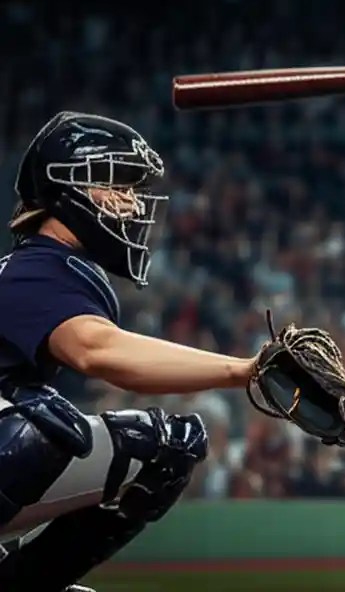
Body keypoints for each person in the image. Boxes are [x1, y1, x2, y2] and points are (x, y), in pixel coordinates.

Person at [0, 111, 251, 592]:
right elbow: (97, 351)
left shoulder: (32, 266)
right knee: (157, 444)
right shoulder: (41, 265)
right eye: (113, 183)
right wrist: (246, 370)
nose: (131, 202)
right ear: (65, 185)